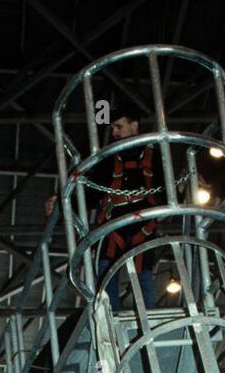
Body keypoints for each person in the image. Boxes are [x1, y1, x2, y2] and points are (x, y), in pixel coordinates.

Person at [46, 111, 160, 312]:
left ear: (134, 125)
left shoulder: (154, 153)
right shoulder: (107, 158)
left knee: (143, 274)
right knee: (105, 272)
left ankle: (148, 320)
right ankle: (110, 318)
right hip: (113, 222)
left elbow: (165, 188)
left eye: (119, 126)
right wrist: (63, 200)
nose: (115, 131)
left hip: (143, 223)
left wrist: (183, 189)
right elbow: (91, 192)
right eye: (113, 127)